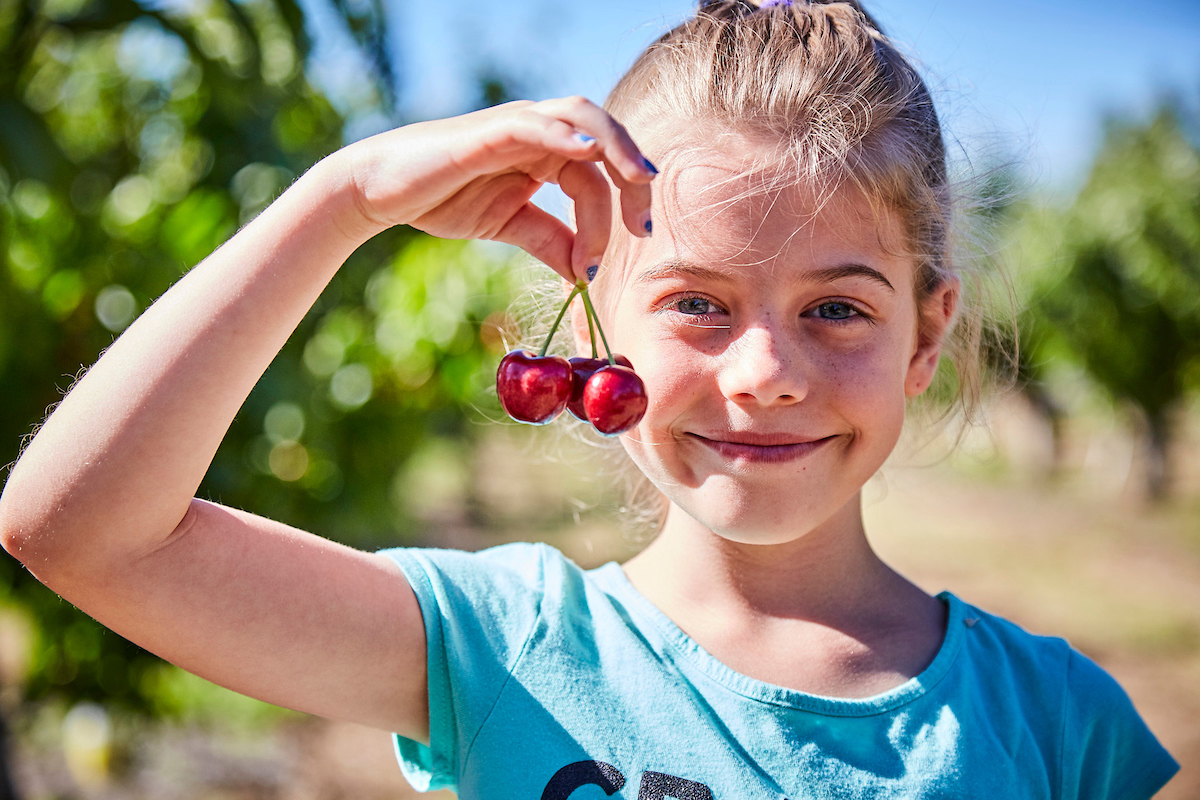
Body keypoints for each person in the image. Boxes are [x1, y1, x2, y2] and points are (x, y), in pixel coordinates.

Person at [0, 0, 1179, 797]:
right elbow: (80, 529)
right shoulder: (495, 646)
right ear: (596, 317)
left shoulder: (1057, 720)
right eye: (697, 304)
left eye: (837, 308)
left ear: (926, 336)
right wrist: (345, 196)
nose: (765, 369)